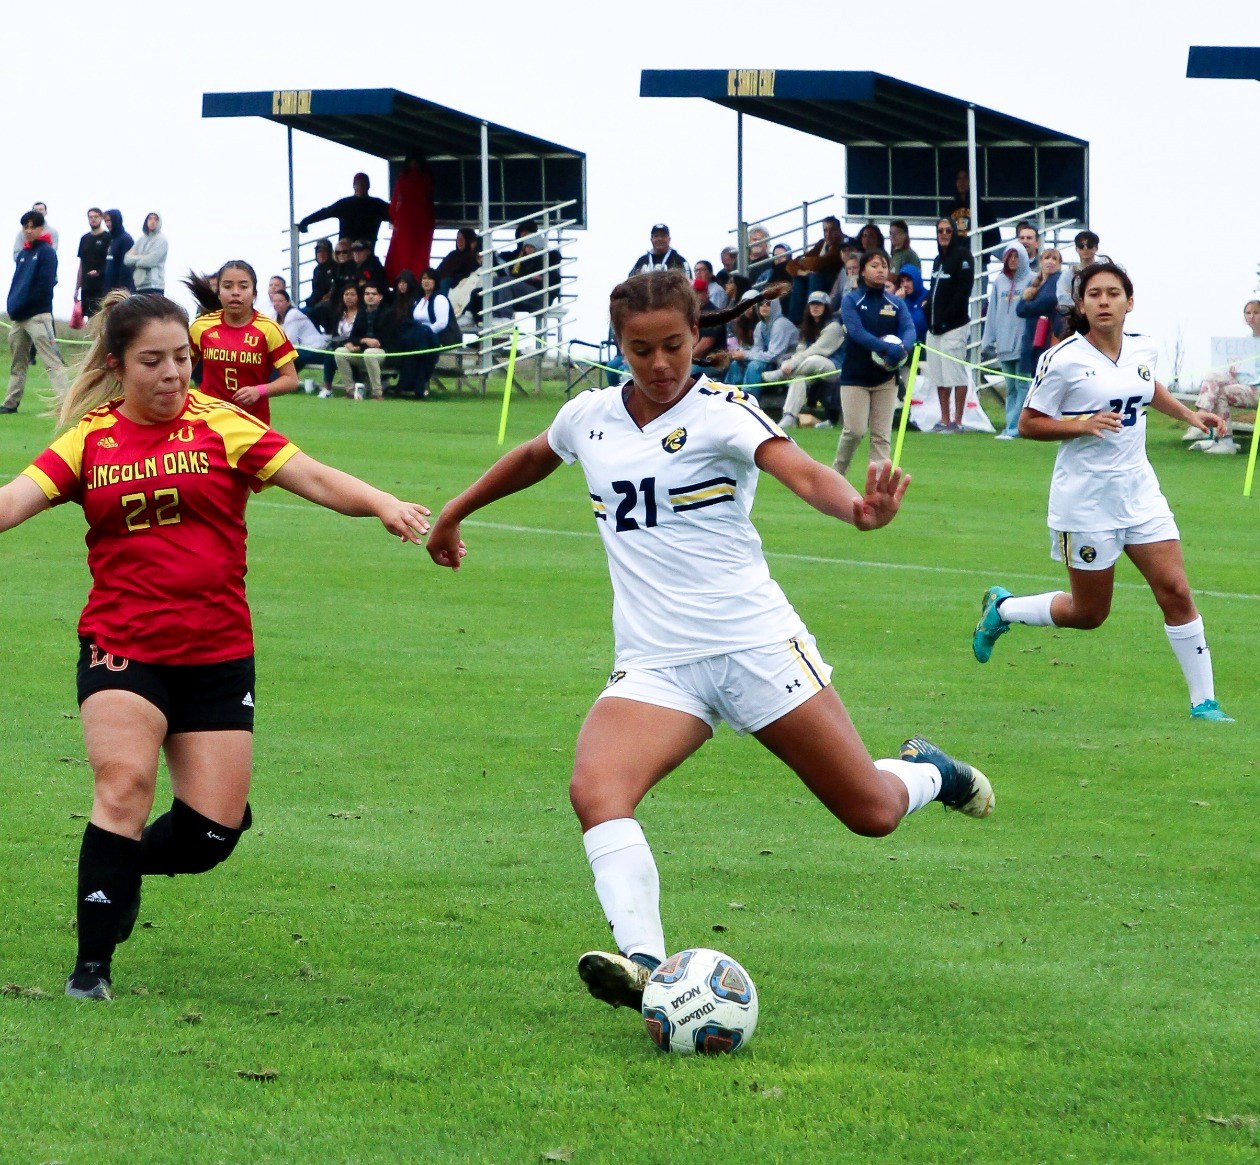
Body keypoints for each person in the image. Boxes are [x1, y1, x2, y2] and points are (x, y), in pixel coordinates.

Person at [424, 268, 993, 1012]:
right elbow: (537, 453)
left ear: (699, 336)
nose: (659, 365)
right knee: (597, 789)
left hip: (754, 645)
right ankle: (646, 964)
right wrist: (455, 512)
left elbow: (799, 471)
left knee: (872, 812)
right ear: (617, 346)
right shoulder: (590, 415)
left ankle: (935, 772)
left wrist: (856, 509)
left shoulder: (726, 410)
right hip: (657, 663)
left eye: (673, 346)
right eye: (639, 350)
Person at [0, 289, 430, 1001]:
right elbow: (15, 499)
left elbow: (314, 476)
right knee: (123, 787)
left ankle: (122, 865)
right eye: (153, 362)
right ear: (117, 364)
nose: (173, 374)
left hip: (217, 651)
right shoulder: (90, 439)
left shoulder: (222, 426)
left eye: (181, 359)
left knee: (210, 836)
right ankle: (91, 970)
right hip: (122, 643)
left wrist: (383, 503)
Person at [971, 263, 1233, 723]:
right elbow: (1029, 423)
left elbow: (1147, 386)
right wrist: (1081, 425)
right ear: (1083, 305)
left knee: (1175, 590)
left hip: (1140, 492)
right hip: (1085, 502)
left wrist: (1191, 416)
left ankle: (1204, 702)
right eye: (1094, 294)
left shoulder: (1142, 346)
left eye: (1114, 293)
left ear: (1130, 302)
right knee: (1090, 613)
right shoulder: (1064, 358)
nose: (1105, 301)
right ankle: (1004, 608)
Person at [185, 260, 299, 423]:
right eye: (228, 286)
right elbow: (181, 369)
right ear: (218, 292)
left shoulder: (269, 329)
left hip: (252, 424)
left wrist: (259, 391)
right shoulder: (200, 327)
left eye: (243, 286)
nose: (235, 292)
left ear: (254, 293)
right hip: (208, 422)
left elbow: (291, 380)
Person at [834, 251, 916, 475]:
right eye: (874, 265)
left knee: (881, 437)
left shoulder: (895, 303)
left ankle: (876, 490)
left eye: (884, 266)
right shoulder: (851, 300)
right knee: (855, 431)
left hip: (886, 379)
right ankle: (837, 473)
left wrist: (902, 349)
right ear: (862, 271)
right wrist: (886, 348)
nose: (881, 270)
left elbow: (909, 330)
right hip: (855, 378)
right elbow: (857, 332)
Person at [3, 210, 70, 414]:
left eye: (33, 227)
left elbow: (44, 286)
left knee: (52, 362)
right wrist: (13, 305)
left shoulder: (47, 253)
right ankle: (11, 402)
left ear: (41, 229)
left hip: (38, 316)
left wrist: (25, 306)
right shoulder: (23, 254)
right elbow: (17, 284)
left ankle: (66, 403)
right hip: (19, 318)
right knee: (18, 362)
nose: (29, 231)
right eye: (26, 227)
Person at [1190, 299, 1260, 454]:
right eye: (1248, 313)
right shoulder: (1244, 342)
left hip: (1256, 388)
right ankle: (1201, 419)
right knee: (1212, 376)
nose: (1252, 317)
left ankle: (1225, 440)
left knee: (1223, 393)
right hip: (1243, 381)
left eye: (1256, 312)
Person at [981, 242, 1034, 439]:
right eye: (1009, 257)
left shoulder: (1032, 279)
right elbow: (992, 312)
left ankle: (1018, 427)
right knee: (1010, 386)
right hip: (1003, 344)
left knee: (1023, 386)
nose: (1013, 260)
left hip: (1023, 344)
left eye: (1016, 256)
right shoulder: (999, 281)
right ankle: (1010, 425)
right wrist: (988, 340)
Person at [925, 218, 974, 432]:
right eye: (940, 231)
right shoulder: (937, 260)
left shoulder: (963, 257)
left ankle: (958, 420)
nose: (943, 234)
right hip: (934, 328)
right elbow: (932, 290)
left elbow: (962, 293)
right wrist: (928, 313)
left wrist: (946, 319)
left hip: (954, 327)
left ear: (954, 232)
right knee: (938, 374)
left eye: (947, 230)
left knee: (955, 373)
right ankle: (944, 418)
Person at [778, 290, 844, 430]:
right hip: (812, 369)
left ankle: (779, 374)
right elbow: (800, 351)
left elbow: (815, 350)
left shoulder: (834, 326)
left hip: (835, 368)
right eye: (812, 304)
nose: (815, 307)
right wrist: (789, 363)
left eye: (819, 304)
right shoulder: (807, 326)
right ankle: (789, 417)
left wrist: (790, 365)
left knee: (814, 359)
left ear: (826, 307)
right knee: (798, 378)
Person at [333, 281, 400, 401]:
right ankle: (351, 391)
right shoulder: (361, 313)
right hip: (364, 352)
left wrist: (361, 345)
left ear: (380, 297)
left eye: (374, 294)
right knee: (339, 352)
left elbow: (384, 341)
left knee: (370, 353)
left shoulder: (388, 313)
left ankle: (377, 394)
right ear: (363, 296)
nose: (370, 296)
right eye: (367, 293)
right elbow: (353, 337)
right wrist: (356, 342)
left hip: (385, 353)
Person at [397, 268, 455, 399]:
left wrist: (426, 333)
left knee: (421, 352)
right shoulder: (419, 300)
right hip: (417, 337)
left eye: (429, 279)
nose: (426, 282)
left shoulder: (440, 299)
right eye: (423, 279)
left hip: (434, 337)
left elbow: (442, 323)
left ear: (435, 281)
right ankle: (407, 386)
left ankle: (417, 387)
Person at [297, 173, 391, 252]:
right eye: (358, 183)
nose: (361, 186)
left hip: (366, 255)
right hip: (346, 254)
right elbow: (324, 213)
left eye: (363, 183)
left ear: (368, 186)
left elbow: (397, 216)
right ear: (354, 186)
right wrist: (305, 221)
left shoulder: (378, 205)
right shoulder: (345, 204)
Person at [725, 294, 797, 395]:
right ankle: (728, 394)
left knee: (754, 365)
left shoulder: (780, 324)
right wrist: (741, 354)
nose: (764, 307)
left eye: (768, 304)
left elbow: (774, 355)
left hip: (785, 362)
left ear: (775, 306)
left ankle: (749, 399)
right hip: (770, 360)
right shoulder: (760, 325)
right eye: (761, 304)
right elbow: (757, 350)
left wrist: (745, 354)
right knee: (736, 364)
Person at [1015, 249, 1068, 380]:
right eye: (1047, 258)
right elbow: (1019, 309)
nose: (1050, 262)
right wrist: (1033, 306)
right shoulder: (1034, 282)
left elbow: (1048, 300)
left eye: (1054, 259)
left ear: (1059, 263)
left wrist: (1031, 306)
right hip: (1033, 337)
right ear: (1041, 261)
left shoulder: (1058, 280)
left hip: (1049, 336)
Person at [268, 288, 324, 390]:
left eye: (280, 301)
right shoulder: (274, 315)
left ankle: (280, 384)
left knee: (285, 358)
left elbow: (289, 340)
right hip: (300, 349)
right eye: (274, 301)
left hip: (314, 349)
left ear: (288, 302)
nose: (276, 304)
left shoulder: (293, 314)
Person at [314, 283, 362, 397]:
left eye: (352, 294)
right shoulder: (339, 313)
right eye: (346, 294)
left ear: (358, 296)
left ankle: (352, 388)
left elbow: (360, 333)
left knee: (336, 353)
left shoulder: (362, 314)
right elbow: (335, 334)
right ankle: (327, 387)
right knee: (330, 353)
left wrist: (349, 343)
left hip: (355, 346)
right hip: (339, 345)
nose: (349, 297)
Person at [948, 168, 999, 254]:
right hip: (955, 260)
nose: (962, 182)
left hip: (978, 259)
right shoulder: (949, 209)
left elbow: (995, 238)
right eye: (959, 178)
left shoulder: (984, 208)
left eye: (966, 178)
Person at [1057, 230, 1109, 310]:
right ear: (1076, 249)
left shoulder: (1105, 272)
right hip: (1076, 317)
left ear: (1096, 248)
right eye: (1081, 246)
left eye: (1089, 245)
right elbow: (1062, 297)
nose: (1085, 248)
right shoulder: (1068, 274)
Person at [76, 207, 113, 319]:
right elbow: (81, 264)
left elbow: (111, 263)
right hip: (87, 287)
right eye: (90, 217)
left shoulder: (108, 237)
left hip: (102, 286)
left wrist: (99, 272)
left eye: (96, 217)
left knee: (102, 318)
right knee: (90, 319)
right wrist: (77, 287)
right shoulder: (84, 238)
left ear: (101, 218)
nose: (93, 219)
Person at [123, 212, 168, 296]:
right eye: (150, 218)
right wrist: (143, 258)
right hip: (139, 286)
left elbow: (149, 262)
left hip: (154, 286)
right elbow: (126, 259)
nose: (153, 221)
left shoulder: (161, 240)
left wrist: (135, 259)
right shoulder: (141, 239)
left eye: (156, 219)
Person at [433, 227, 481, 294]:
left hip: (457, 286)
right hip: (441, 284)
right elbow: (439, 270)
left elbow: (467, 273)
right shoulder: (452, 254)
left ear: (468, 240)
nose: (459, 241)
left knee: (445, 282)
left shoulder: (472, 257)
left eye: (463, 239)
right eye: (458, 239)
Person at [304, 238, 338, 327]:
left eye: (324, 251)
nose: (321, 254)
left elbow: (334, 287)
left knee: (314, 312)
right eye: (319, 252)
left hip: (330, 304)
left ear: (329, 252)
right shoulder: (317, 270)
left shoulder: (336, 268)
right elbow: (316, 290)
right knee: (299, 313)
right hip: (315, 303)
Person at [101, 210, 135, 295]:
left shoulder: (126, 239)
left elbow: (127, 268)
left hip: (120, 291)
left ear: (116, 220)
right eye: (105, 221)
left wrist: (121, 290)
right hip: (108, 289)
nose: (107, 224)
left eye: (109, 221)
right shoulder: (111, 239)